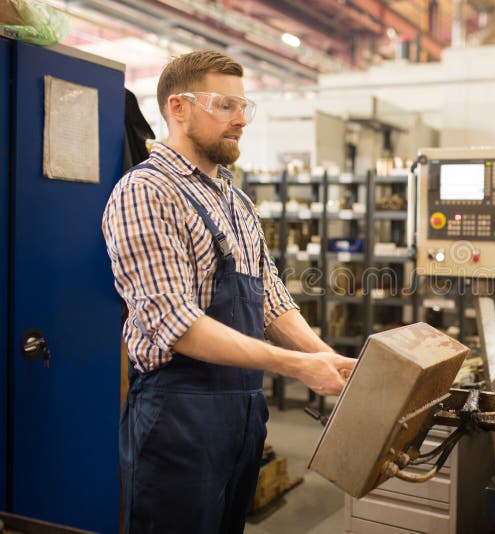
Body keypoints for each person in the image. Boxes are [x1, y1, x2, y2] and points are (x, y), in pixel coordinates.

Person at [102, 50, 355, 533]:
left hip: (242, 413)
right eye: (225, 106)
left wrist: (329, 358)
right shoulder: (145, 193)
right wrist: (298, 366)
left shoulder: (235, 201)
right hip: (178, 417)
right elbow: (177, 324)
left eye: (244, 107)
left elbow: (271, 300)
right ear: (179, 108)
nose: (241, 120)